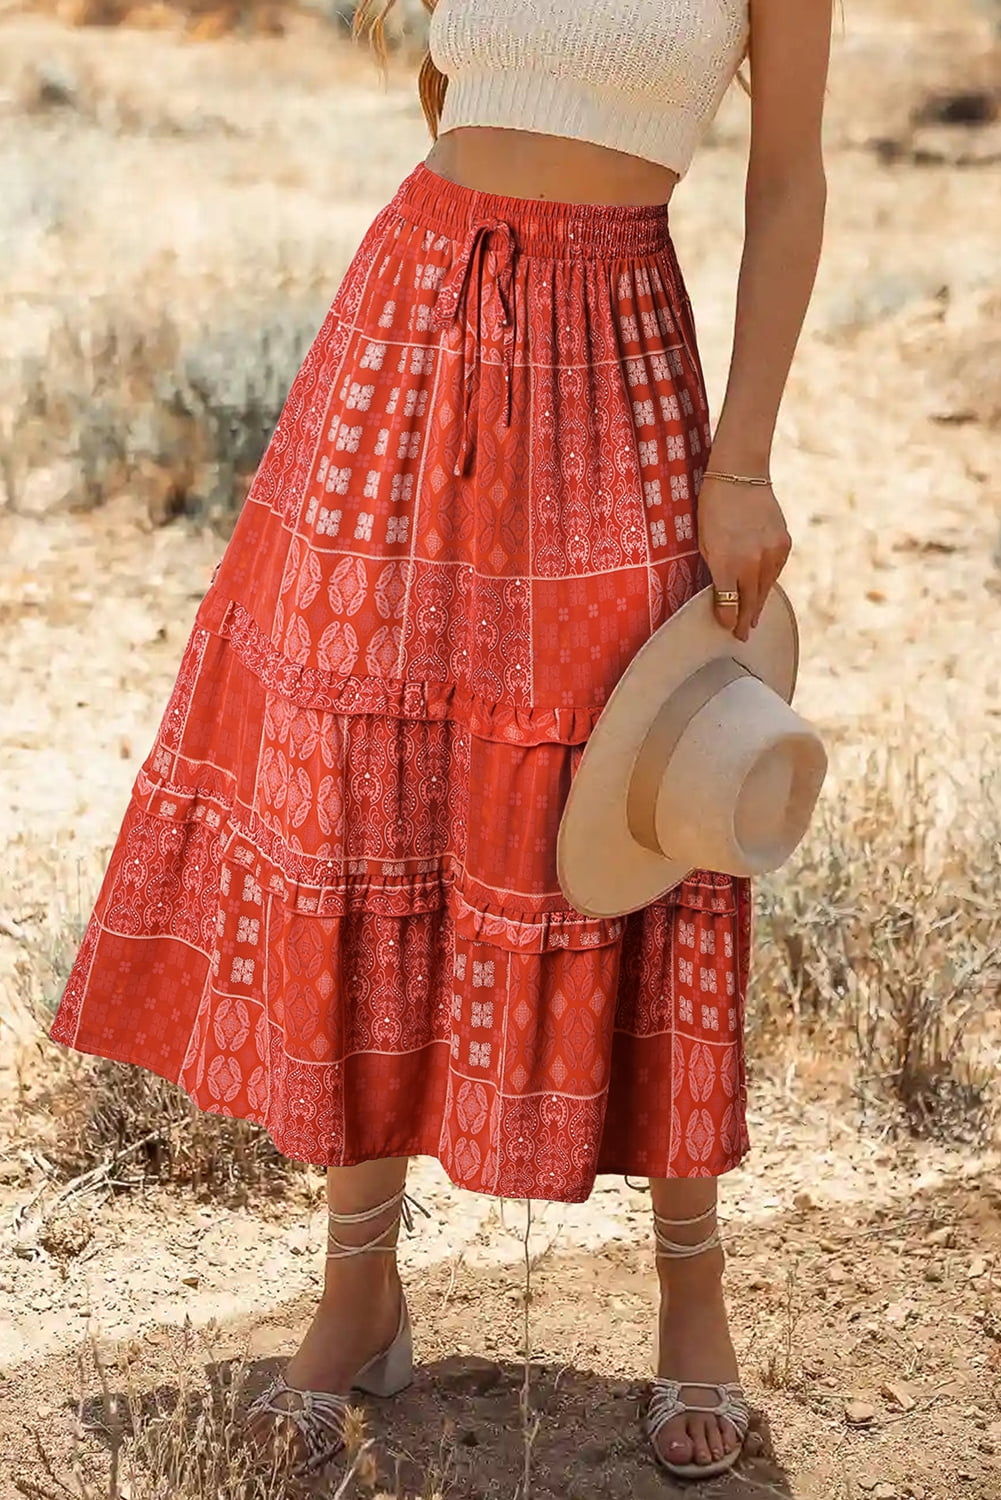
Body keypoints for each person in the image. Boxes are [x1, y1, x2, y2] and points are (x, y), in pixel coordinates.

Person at [47, 0, 833, 1482]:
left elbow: (786, 174)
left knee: (640, 794)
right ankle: (359, 1292)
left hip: (615, 362)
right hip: (405, 341)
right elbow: (441, 73)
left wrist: (740, 461)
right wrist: (476, 276)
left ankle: (690, 1294)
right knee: (372, 792)